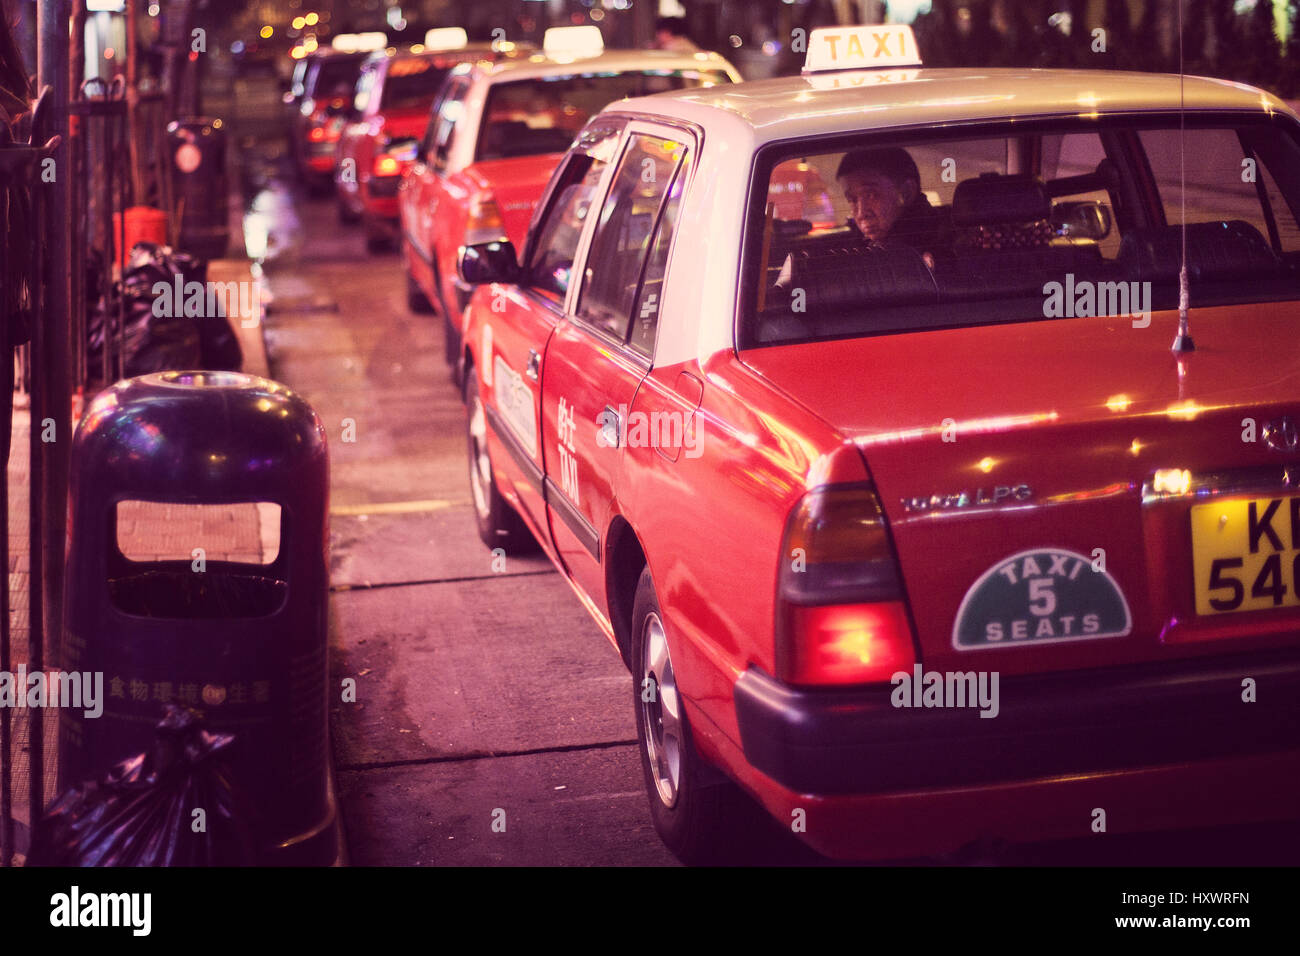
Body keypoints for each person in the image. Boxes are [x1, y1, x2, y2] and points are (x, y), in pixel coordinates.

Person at [835, 147, 942, 257]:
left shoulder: (934, 248)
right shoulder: (859, 247)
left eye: (870, 195)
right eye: (852, 200)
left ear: (907, 192)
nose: (861, 214)